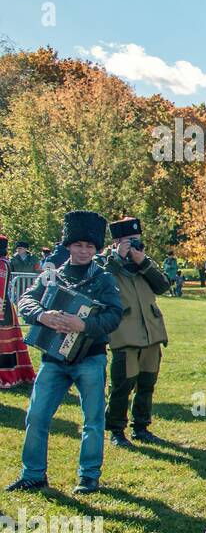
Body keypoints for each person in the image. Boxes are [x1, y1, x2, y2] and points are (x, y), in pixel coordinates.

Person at [8, 211, 123, 495]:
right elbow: (25, 301)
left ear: (96, 249)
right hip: (53, 360)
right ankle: (33, 474)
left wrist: (82, 324)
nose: (83, 251)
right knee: (36, 416)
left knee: (93, 421)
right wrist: (42, 315)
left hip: (91, 358)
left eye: (89, 246)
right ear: (68, 246)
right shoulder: (52, 277)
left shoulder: (104, 280)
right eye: (78, 245)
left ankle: (88, 476)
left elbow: (114, 316)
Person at [100, 217, 171, 448]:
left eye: (138, 241)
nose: (136, 246)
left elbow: (163, 285)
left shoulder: (143, 263)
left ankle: (141, 427)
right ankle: (116, 430)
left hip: (151, 331)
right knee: (123, 383)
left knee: (147, 381)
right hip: (124, 332)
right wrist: (119, 258)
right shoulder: (106, 263)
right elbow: (99, 282)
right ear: (117, 242)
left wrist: (143, 262)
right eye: (131, 242)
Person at [0, 236, 37, 388]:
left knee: (5, 345)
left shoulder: (1, 264)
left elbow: (1, 289)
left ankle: (7, 376)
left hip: (2, 307)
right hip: (5, 306)